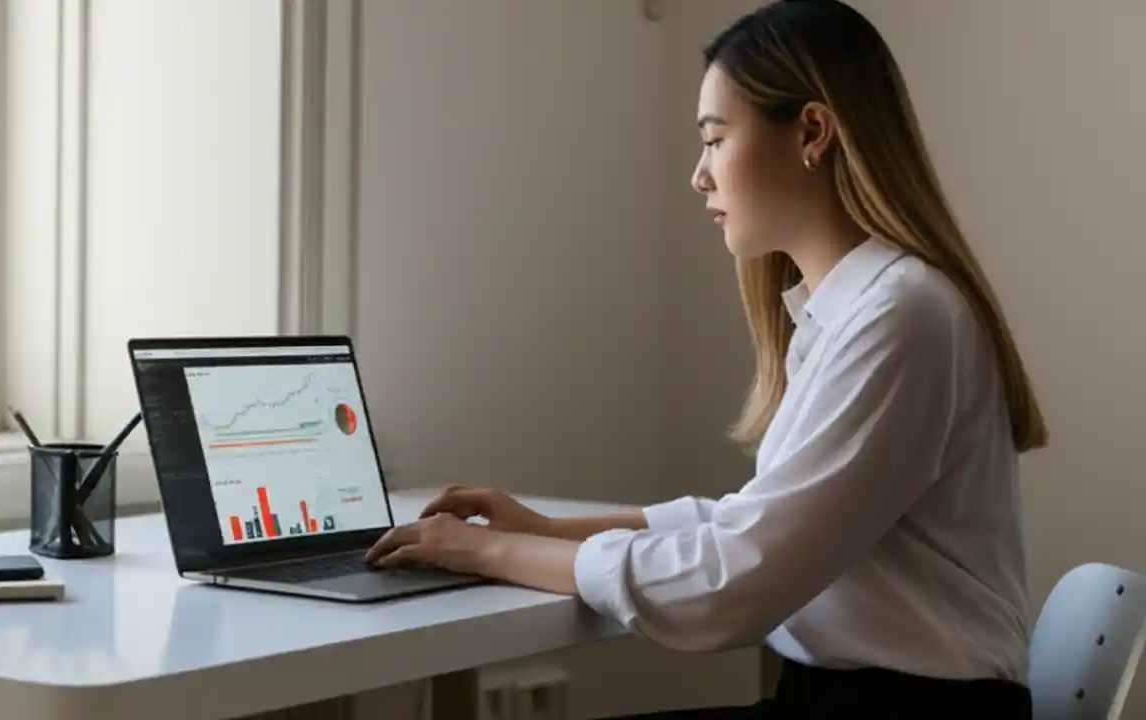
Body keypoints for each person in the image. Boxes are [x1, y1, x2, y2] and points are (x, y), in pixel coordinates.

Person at [364, 0, 1046, 716]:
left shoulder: (901, 316)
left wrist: (486, 552)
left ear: (812, 131)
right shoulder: (857, 310)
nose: (700, 175)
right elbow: (750, 524)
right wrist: (539, 529)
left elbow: (728, 586)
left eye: (716, 140)